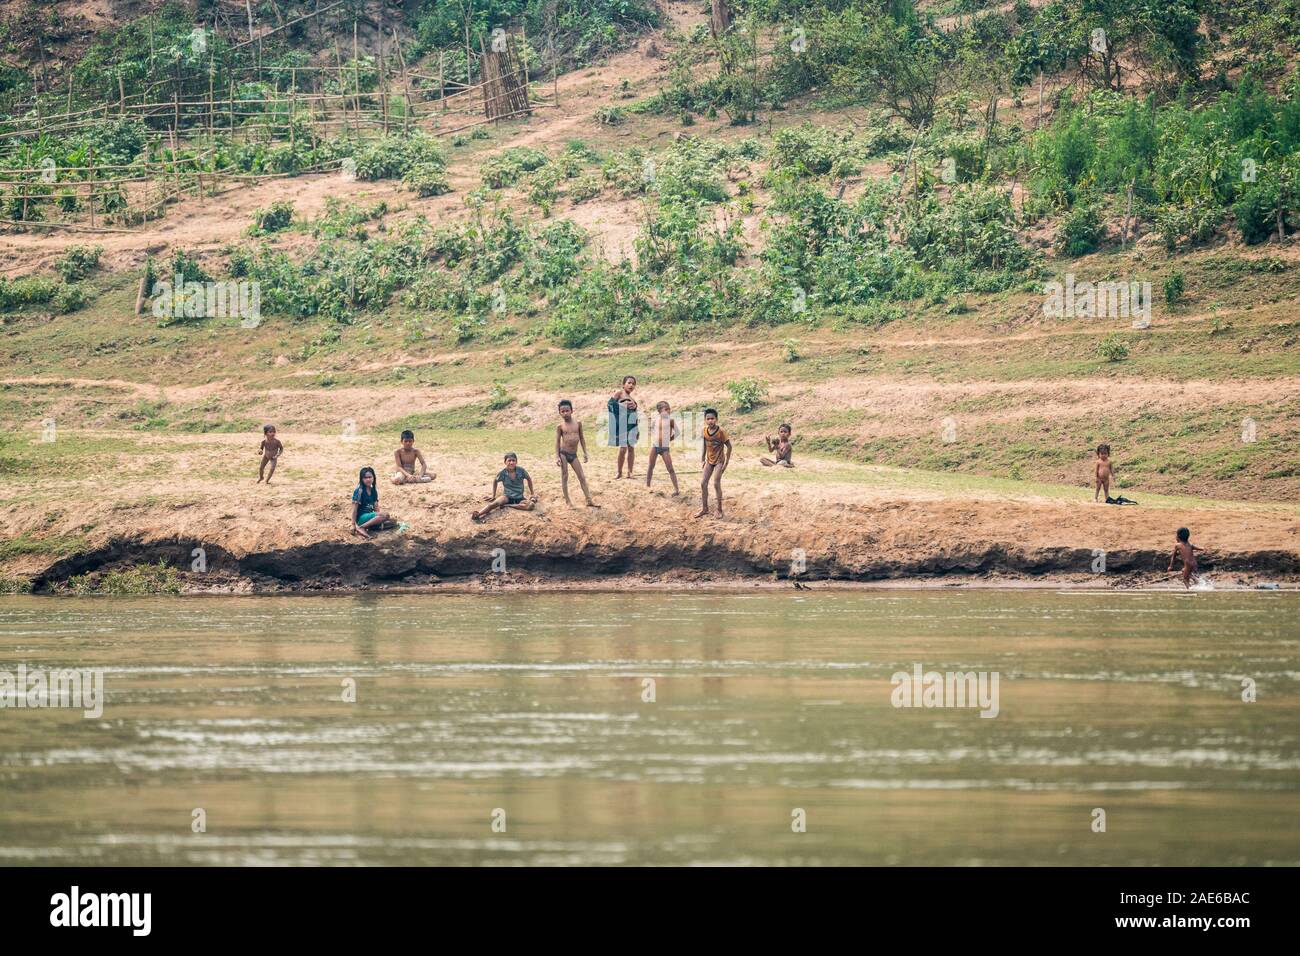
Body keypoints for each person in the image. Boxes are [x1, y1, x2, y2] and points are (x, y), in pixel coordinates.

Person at [555, 400, 598, 508]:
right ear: (560, 413)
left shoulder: (578, 423)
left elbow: (582, 438)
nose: (565, 413)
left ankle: (588, 499)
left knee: (582, 477)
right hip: (563, 453)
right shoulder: (560, 426)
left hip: (573, 455)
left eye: (567, 410)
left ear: (572, 411)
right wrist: (557, 457)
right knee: (565, 476)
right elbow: (557, 442)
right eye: (562, 411)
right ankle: (568, 502)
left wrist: (585, 452)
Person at [472, 453, 537, 521]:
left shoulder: (521, 471)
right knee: (493, 504)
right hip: (507, 497)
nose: (511, 463)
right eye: (509, 460)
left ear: (516, 462)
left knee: (531, 505)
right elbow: (495, 481)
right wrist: (493, 495)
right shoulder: (503, 473)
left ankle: (507, 505)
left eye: (513, 460)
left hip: (519, 497)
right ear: (505, 462)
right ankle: (478, 514)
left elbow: (529, 479)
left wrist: (532, 493)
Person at [695, 408, 732, 519]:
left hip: (719, 461)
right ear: (705, 420)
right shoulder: (705, 431)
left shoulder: (721, 432)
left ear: (716, 419)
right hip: (709, 460)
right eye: (708, 419)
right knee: (703, 483)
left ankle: (719, 509)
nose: (710, 421)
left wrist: (726, 463)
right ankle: (704, 508)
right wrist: (702, 459)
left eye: (712, 418)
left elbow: (729, 447)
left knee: (716, 483)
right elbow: (704, 444)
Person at [645, 400, 680, 495]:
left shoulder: (671, 420)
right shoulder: (656, 420)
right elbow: (651, 428)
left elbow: (677, 432)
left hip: (665, 448)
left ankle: (676, 489)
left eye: (669, 409)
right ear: (659, 411)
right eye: (666, 409)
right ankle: (648, 485)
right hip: (655, 446)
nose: (668, 411)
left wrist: (670, 439)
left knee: (670, 468)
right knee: (651, 466)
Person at [608, 375, 639, 479]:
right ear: (623, 384)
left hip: (632, 426)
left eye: (633, 383)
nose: (631, 385)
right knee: (623, 449)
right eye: (629, 382)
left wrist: (635, 406)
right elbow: (610, 404)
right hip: (622, 426)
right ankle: (619, 472)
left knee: (631, 448)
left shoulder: (632, 399)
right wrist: (621, 406)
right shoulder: (619, 393)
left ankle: (630, 472)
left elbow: (634, 413)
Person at [350, 466, 391, 538]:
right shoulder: (359, 491)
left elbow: (376, 507)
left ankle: (369, 527)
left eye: (370, 477)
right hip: (361, 518)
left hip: (370, 516)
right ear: (361, 479)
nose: (368, 479)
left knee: (392, 521)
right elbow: (354, 509)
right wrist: (353, 524)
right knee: (386, 515)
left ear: (373, 477)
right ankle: (361, 527)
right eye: (365, 478)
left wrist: (380, 519)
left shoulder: (373, 490)